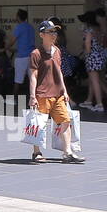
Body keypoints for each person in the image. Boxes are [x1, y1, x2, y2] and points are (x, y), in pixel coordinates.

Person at [27, 19, 84, 163]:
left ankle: (67, 152)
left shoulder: (57, 51)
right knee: (39, 124)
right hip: (42, 94)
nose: (53, 34)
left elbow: (59, 72)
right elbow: (33, 76)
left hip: (58, 94)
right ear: (42, 35)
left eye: (55, 31)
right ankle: (37, 152)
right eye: (50, 31)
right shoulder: (36, 54)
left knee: (65, 121)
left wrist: (64, 90)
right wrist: (32, 96)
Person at [80, 10, 107, 112]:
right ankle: (89, 101)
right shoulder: (98, 29)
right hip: (100, 56)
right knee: (93, 81)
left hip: (92, 58)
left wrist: (85, 52)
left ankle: (99, 104)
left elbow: (88, 46)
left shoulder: (89, 31)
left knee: (95, 81)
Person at [8, 9, 35, 98]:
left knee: (18, 80)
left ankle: (14, 99)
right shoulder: (30, 27)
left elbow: (12, 41)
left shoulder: (19, 27)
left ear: (18, 17)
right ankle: (34, 100)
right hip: (31, 56)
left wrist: (5, 48)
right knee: (32, 79)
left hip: (22, 58)